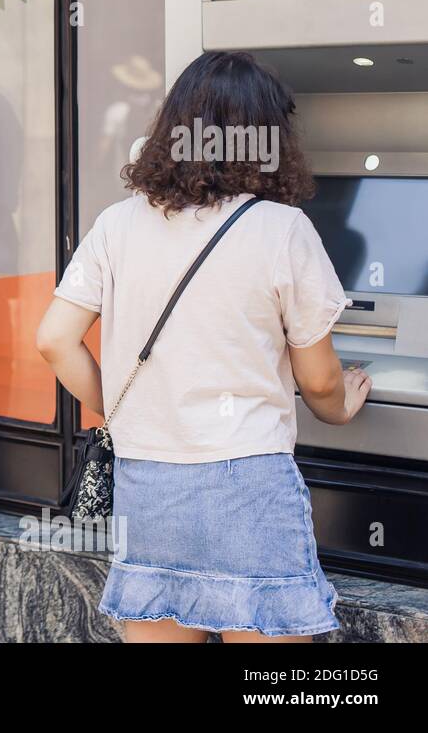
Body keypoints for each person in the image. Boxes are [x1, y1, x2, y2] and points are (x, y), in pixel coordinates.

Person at [36, 51, 371, 643]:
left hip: (149, 486)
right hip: (248, 487)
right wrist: (342, 405)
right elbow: (319, 381)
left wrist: (122, 409)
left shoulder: (117, 224)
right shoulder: (282, 228)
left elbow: (55, 341)